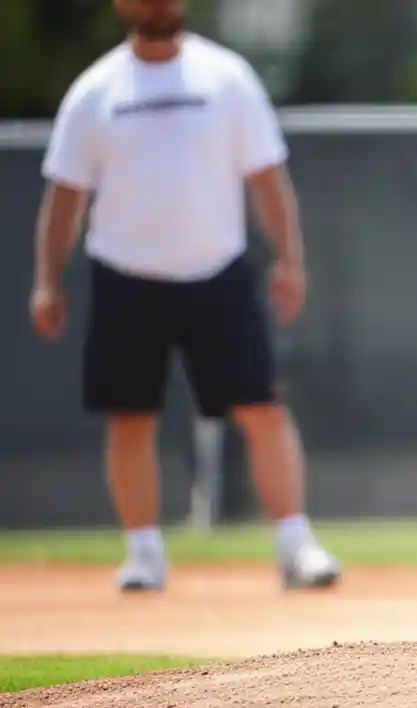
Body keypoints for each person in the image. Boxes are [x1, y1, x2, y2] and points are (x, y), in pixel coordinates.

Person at [29, 0, 341, 592]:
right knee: (129, 417)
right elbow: (65, 195)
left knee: (263, 408)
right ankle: (143, 553)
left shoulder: (226, 77)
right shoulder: (95, 90)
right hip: (125, 275)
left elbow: (267, 176)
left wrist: (290, 257)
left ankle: (295, 544)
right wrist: (47, 278)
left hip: (216, 273)